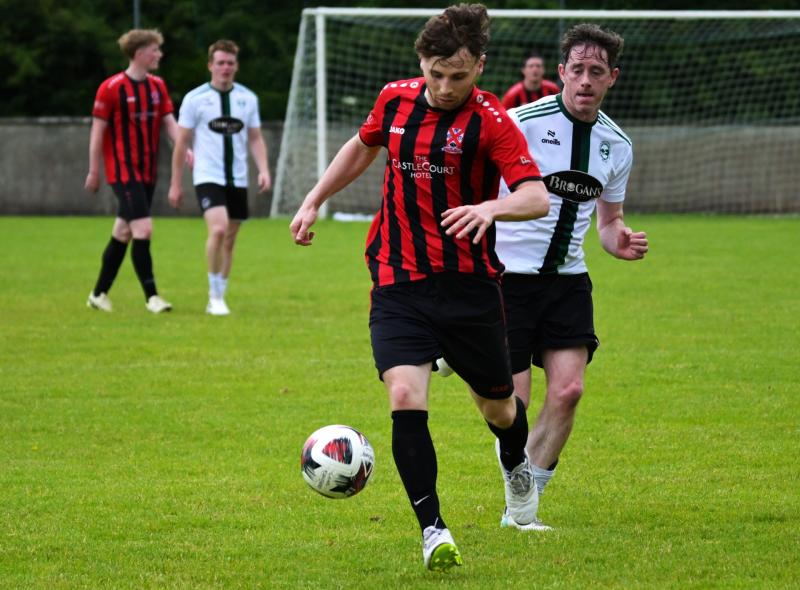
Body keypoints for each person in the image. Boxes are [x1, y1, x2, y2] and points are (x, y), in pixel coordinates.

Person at [290, 3, 550, 572]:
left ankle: (516, 465)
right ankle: (433, 530)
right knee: (406, 396)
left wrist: (490, 208)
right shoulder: (395, 99)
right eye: (436, 73)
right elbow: (363, 145)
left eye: (458, 75)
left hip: (468, 287)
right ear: (421, 63)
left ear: (479, 67)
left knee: (501, 409)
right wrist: (314, 199)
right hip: (397, 277)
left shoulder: (493, 121)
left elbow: (536, 196)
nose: (445, 86)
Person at [495, 23, 648, 528]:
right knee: (513, 409)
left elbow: (608, 221)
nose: (585, 80)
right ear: (561, 72)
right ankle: (457, 345)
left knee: (569, 391)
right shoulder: (518, 123)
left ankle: (523, 508)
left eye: (596, 71)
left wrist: (618, 239)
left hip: (567, 282)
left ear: (612, 78)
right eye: (577, 69)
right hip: (508, 280)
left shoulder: (617, 145)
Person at [168, 39, 271, 316]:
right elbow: (181, 142)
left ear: (236, 66)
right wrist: (175, 183)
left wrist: (263, 170)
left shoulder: (248, 99)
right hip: (207, 175)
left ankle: (221, 292)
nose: (225, 67)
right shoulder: (195, 99)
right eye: (220, 62)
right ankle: (213, 296)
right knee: (218, 229)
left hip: (238, 178)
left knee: (230, 238)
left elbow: (255, 138)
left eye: (230, 63)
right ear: (210, 65)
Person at [85, 29, 181, 314]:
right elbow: (97, 132)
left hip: (148, 171)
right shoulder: (111, 88)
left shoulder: (157, 86)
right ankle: (152, 297)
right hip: (122, 172)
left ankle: (98, 294)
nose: (159, 55)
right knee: (143, 228)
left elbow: (170, 123)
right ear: (139, 53)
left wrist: (185, 148)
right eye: (155, 50)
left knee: (123, 231)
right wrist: (93, 171)